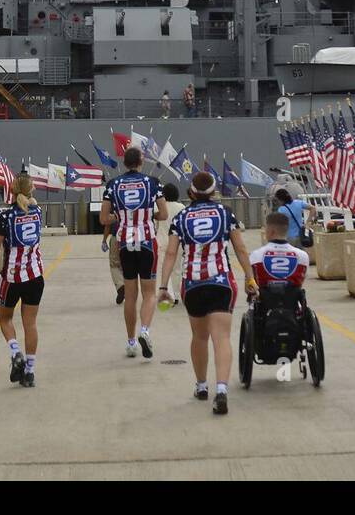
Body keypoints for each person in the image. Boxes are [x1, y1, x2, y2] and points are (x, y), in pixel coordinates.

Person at [157, 171, 256, 414]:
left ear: (191, 193)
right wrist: (250, 278)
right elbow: (241, 248)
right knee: (221, 337)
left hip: (192, 284)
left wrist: (163, 287)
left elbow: (171, 254)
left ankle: (202, 385)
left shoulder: (181, 218)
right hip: (221, 282)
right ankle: (221, 389)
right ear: (213, 192)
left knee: (199, 337)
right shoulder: (225, 214)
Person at [100, 146, 168, 357]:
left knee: (130, 295)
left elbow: (104, 219)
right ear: (140, 162)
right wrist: (150, 216)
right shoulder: (153, 183)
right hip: (147, 240)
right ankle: (145, 331)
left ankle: (130, 342)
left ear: (124, 163)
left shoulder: (113, 185)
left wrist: (119, 217)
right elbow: (164, 214)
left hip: (125, 242)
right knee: (149, 293)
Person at [0, 172, 45, 388]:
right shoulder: (38, 212)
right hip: (35, 276)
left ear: (13, 190)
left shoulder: (5, 218)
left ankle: (16, 352)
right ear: (31, 190)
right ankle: (30, 371)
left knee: (5, 318)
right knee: (31, 323)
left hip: (12, 278)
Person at [249, 211, 310, 289]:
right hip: (291, 300)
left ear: (271, 231)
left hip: (265, 300)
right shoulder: (303, 256)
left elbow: (250, 286)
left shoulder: (256, 255)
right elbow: (300, 283)